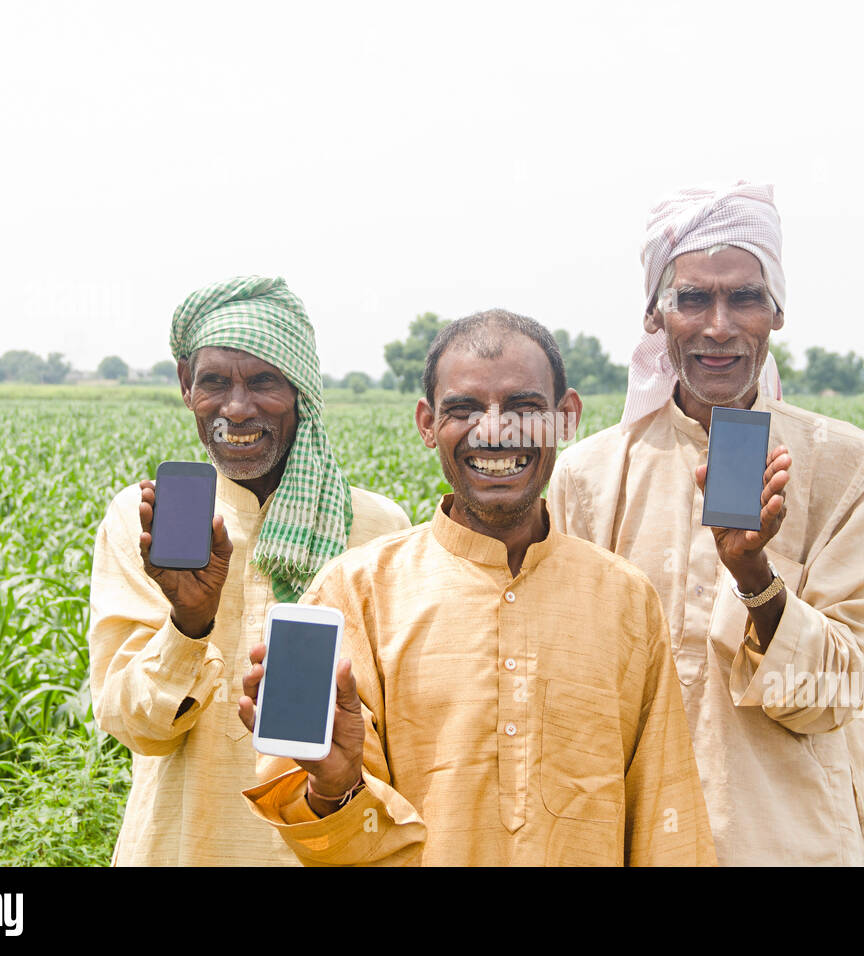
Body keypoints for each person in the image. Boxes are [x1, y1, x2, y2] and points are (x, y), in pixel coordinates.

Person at [237, 309, 715, 865]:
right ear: (426, 423)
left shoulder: (626, 600)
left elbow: (665, 817)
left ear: (567, 417)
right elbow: (323, 840)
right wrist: (337, 783)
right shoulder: (356, 591)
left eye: (524, 408)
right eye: (463, 410)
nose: (494, 431)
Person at [548, 182, 864, 866]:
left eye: (743, 297)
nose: (718, 325)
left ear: (775, 313)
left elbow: (837, 690)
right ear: (655, 317)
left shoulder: (845, 469)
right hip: (636, 838)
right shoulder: (589, 477)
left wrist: (755, 580)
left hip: (787, 839)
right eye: (692, 298)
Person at [87, 275, 410, 865]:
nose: (237, 408)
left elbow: (397, 728)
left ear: (301, 390)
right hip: (180, 845)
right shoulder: (142, 524)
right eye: (214, 381)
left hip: (323, 846)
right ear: (187, 386)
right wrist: (189, 623)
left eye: (263, 381)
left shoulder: (377, 528)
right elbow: (132, 724)